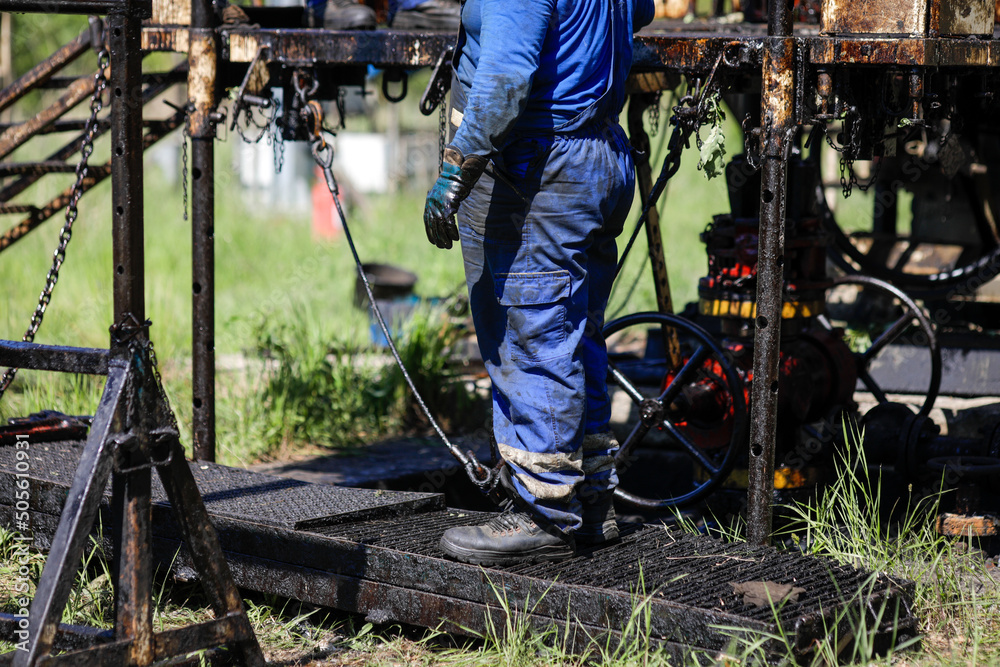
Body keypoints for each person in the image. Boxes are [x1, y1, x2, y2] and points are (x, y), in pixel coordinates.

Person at [424, 0, 655, 566]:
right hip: (598, 157)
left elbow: (504, 80)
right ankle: (591, 501)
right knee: (575, 332)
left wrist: (456, 172)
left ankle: (544, 514)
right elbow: (640, 12)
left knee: (532, 332)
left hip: (540, 166)